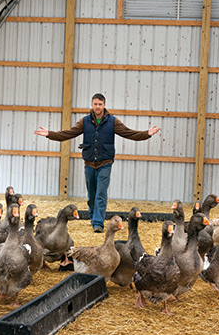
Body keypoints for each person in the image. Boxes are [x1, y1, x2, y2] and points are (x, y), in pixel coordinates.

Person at [34, 93, 160, 232]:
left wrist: (146, 134)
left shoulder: (113, 121)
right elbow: (68, 133)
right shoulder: (85, 121)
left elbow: (129, 133)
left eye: (100, 104)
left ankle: (98, 224)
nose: (98, 107)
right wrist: (50, 134)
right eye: (95, 104)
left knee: (101, 193)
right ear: (92, 105)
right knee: (92, 195)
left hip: (105, 163)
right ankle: (93, 217)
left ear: (104, 105)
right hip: (89, 163)